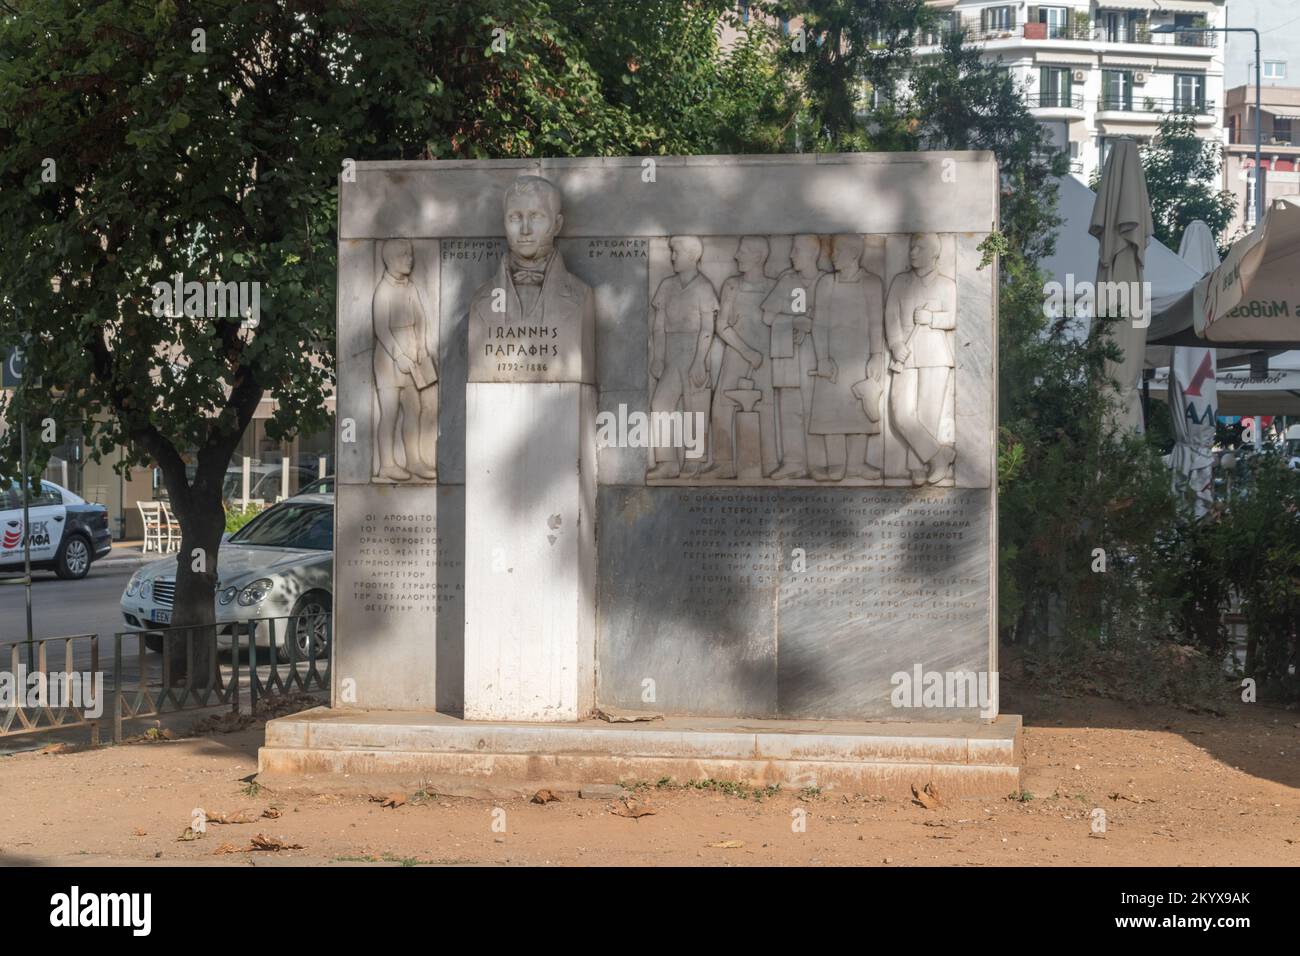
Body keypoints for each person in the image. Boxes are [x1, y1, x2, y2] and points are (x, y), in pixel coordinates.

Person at [807, 234, 884, 481]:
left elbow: (875, 323)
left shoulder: (871, 283)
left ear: (853, 254)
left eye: (838, 251)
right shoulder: (826, 284)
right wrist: (822, 358)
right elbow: (818, 325)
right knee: (831, 412)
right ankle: (836, 464)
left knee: (859, 411)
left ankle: (857, 465)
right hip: (832, 358)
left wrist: (876, 355)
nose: (832, 255)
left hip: (860, 357)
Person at [701, 236, 778, 479]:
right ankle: (724, 462)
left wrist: (792, 333)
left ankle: (769, 463)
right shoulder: (732, 286)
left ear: (759, 257)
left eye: (743, 252)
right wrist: (746, 351)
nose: (737, 256)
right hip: (737, 352)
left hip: (766, 357)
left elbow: (790, 318)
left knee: (765, 407)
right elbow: (721, 326)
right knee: (721, 405)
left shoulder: (776, 286)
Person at [885, 232, 957, 485]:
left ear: (934, 254)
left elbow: (954, 318)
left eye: (919, 248)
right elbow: (891, 316)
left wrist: (932, 319)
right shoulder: (900, 282)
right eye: (911, 247)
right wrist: (894, 344)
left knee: (928, 414)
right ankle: (939, 456)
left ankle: (917, 467)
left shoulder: (947, 284)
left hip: (935, 355)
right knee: (900, 413)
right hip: (906, 353)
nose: (913, 252)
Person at [647, 236, 718, 480]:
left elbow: (708, 328)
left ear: (692, 256)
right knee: (660, 404)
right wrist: (658, 357)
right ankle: (667, 462)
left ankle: (694, 459)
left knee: (695, 407)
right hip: (671, 352)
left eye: (676, 252)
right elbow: (658, 325)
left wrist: (700, 361)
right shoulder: (666, 286)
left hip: (694, 351)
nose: (672, 257)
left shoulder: (704, 287)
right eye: (670, 252)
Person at [372, 238, 437, 481]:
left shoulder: (410, 288)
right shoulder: (383, 290)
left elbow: (420, 318)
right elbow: (381, 328)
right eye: (404, 255)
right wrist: (399, 356)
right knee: (389, 412)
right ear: (390, 259)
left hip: (413, 353)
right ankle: (387, 464)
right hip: (389, 359)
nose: (410, 259)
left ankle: (414, 461)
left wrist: (420, 345)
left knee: (414, 408)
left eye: (410, 255)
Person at [762, 234, 822, 480]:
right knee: (789, 410)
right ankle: (793, 462)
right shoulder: (787, 281)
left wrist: (813, 323)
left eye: (796, 250)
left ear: (812, 253)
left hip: (817, 354)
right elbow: (767, 317)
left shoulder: (826, 282)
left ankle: (819, 463)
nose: (791, 255)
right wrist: (794, 321)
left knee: (816, 409)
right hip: (788, 354)